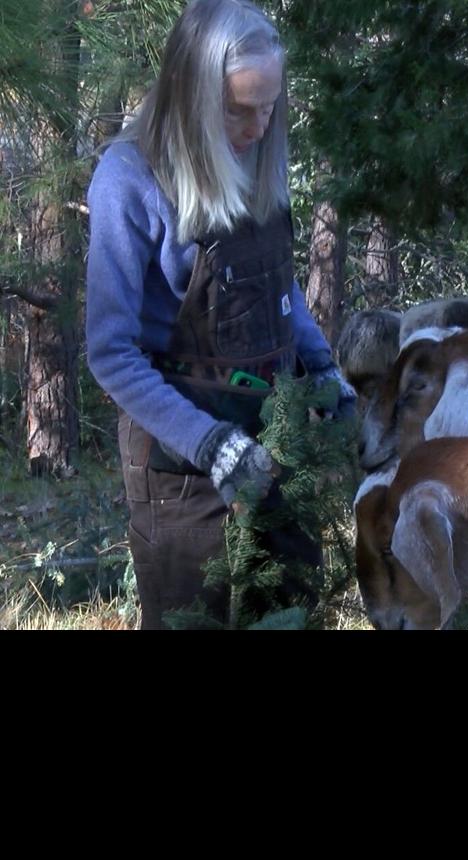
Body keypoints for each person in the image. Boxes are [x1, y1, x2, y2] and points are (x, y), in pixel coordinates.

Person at [85, 0, 355, 629]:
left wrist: (323, 371)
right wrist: (212, 445)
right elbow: (111, 354)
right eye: (240, 110)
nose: (260, 127)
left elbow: (280, 293)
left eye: (270, 106)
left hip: (277, 443)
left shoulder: (259, 153)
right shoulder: (128, 179)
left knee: (292, 615)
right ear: (191, 97)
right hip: (180, 471)